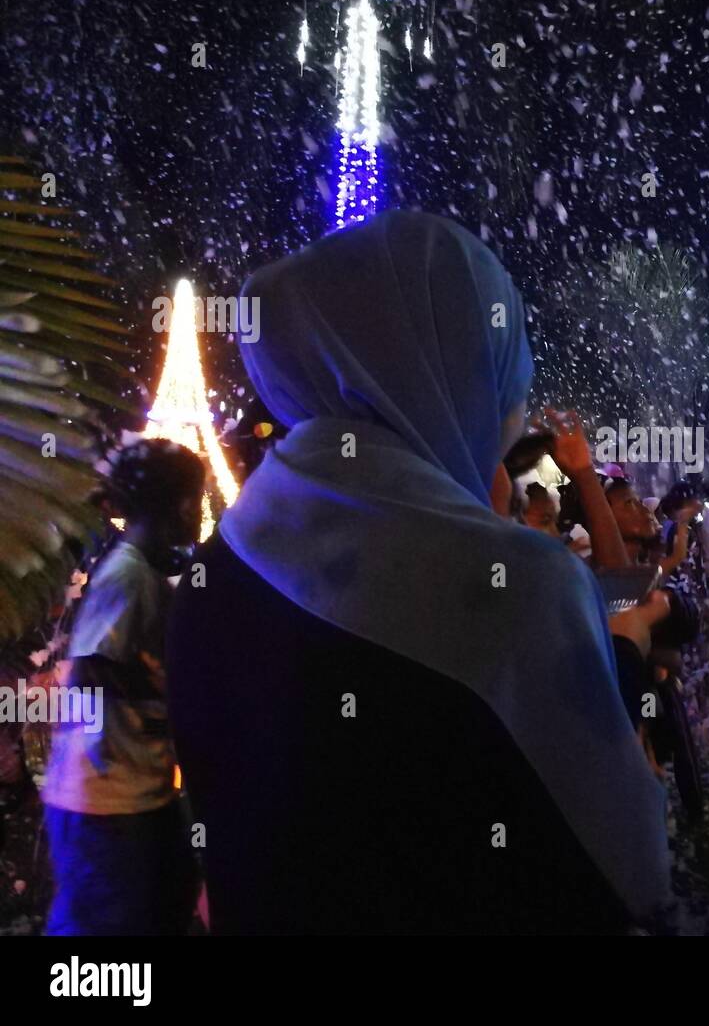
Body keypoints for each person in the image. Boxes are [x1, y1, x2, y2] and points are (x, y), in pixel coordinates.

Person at [166, 210, 669, 934]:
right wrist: (623, 647)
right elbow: (629, 866)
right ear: (456, 367)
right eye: (499, 364)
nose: (510, 401)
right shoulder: (518, 583)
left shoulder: (216, 575)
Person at [42, 439, 205, 936]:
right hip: (104, 800)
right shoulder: (129, 574)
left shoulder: (144, 571)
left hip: (132, 794)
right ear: (180, 505)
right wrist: (174, 693)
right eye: (196, 499)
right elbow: (93, 666)